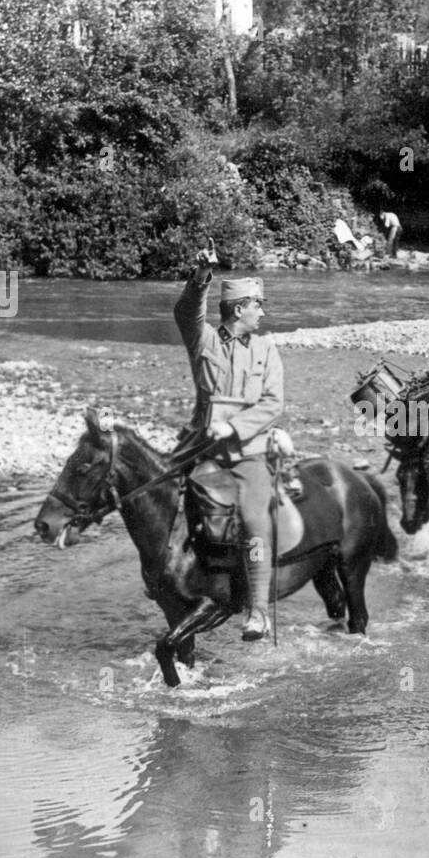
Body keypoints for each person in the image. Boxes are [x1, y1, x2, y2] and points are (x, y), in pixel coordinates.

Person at [173, 251, 284, 642]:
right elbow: (186, 310)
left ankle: (256, 611)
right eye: (258, 306)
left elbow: (273, 403)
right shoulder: (202, 339)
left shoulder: (266, 349)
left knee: (255, 519)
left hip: (248, 452)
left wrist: (233, 427)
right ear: (238, 309)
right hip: (200, 448)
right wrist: (203, 272)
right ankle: (164, 580)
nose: (262, 314)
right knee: (156, 496)